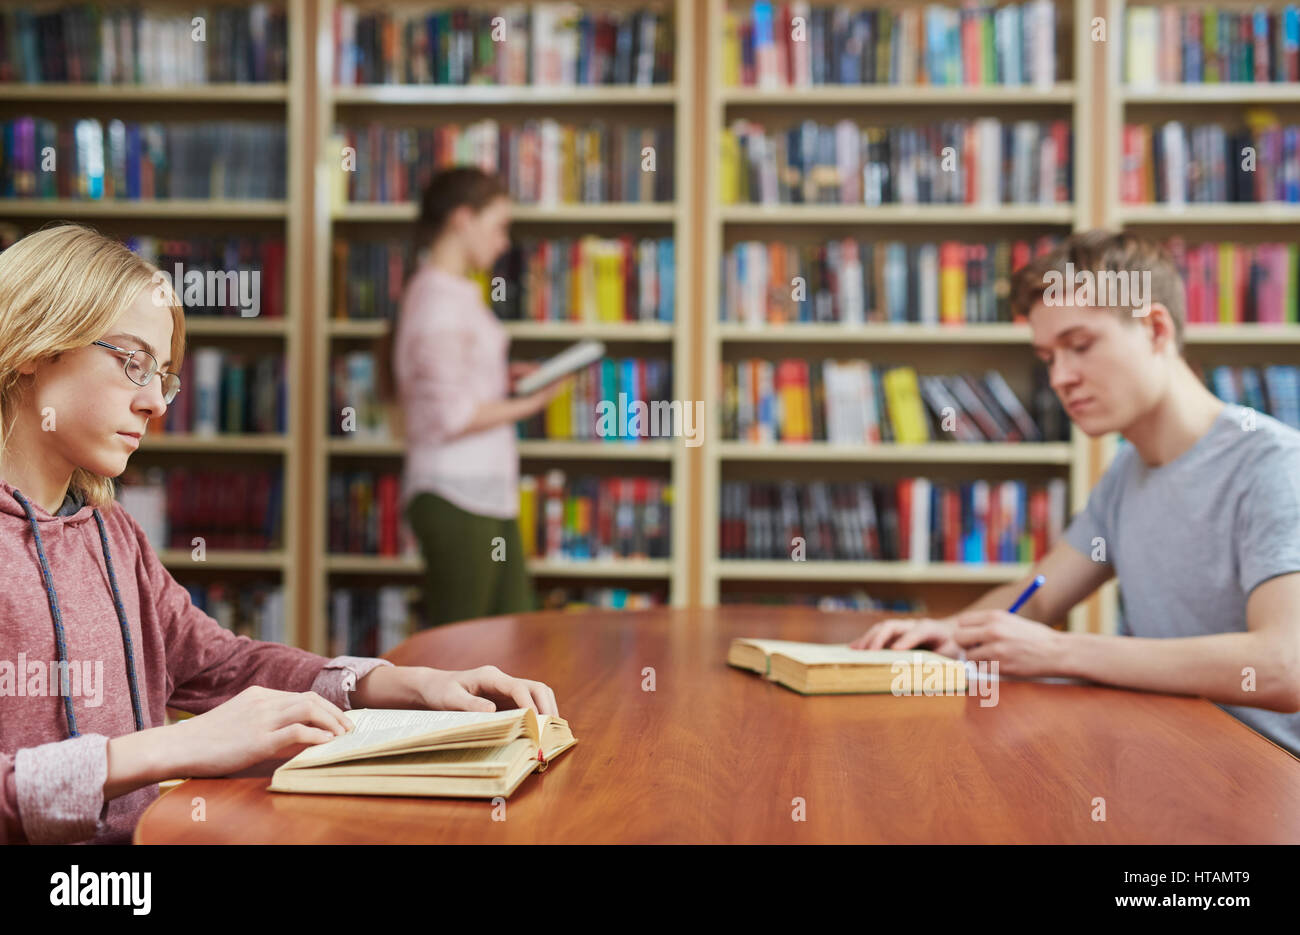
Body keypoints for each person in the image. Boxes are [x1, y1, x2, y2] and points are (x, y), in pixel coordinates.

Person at [0, 224, 559, 845]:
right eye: (133, 362)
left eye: (164, 375)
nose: (156, 402)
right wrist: (171, 747)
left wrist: (407, 684)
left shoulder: (111, 533)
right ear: (32, 344)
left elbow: (221, 664)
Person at [850, 229, 1300, 755]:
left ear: (1155, 329)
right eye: (1047, 358)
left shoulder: (1275, 466)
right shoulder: (1128, 471)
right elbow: (1038, 599)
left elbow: (1283, 664)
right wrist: (947, 635)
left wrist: (1062, 652)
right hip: (1176, 757)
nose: (1060, 378)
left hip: (1266, 785)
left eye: (1080, 346)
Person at [379, 167, 566, 627]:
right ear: (463, 219)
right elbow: (449, 414)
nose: (504, 242)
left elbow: (454, 387)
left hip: (483, 494)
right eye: (498, 225)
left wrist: (501, 378)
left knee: (512, 636)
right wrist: (533, 403)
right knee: (461, 648)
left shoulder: (453, 294)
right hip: (456, 493)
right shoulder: (437, 299)